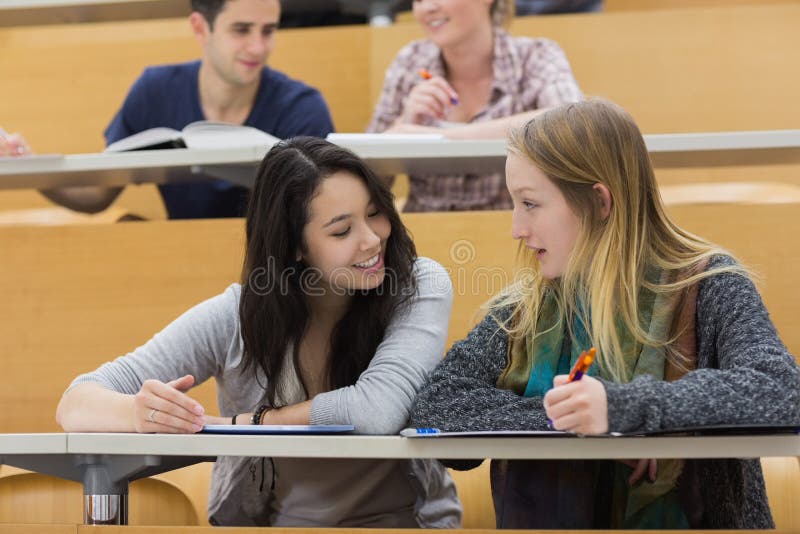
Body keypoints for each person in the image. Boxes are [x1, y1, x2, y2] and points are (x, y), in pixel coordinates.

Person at [409, 99, 800, 528]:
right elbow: (437, 406)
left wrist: (624, 409)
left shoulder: (711, 283)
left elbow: (781, 391)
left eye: (531, 204)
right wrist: (571, 417)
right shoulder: (522, 306)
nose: (516, 228)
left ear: (599, 202)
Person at [56, 137, 460, 527]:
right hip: (269, 526)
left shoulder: (419, 284)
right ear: (294, 247)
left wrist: (252, 422)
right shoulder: (237, 315)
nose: (372, 239)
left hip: (403, 524)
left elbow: (377, 411)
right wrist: (139, 413)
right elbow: (75, 402)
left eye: (375, 213)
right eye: (341, 231)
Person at [46, 0, 334, 219]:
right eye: (241, 30)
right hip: (179, 259)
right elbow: (97, 194)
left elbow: (318, 214)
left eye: (268, 31)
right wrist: (28, 163)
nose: (258, 47)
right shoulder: (154, 91)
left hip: (270, 270)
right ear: (200, 28)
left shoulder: (301, 106)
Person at [367, 0, 583, 212]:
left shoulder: (536, 55)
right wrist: (403, 125)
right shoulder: (410, 61)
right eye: (419, 0)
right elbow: (365, 184)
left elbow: (573, 124)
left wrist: (437, 138)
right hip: (422, 235)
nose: (428, 7)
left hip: (514, 231)